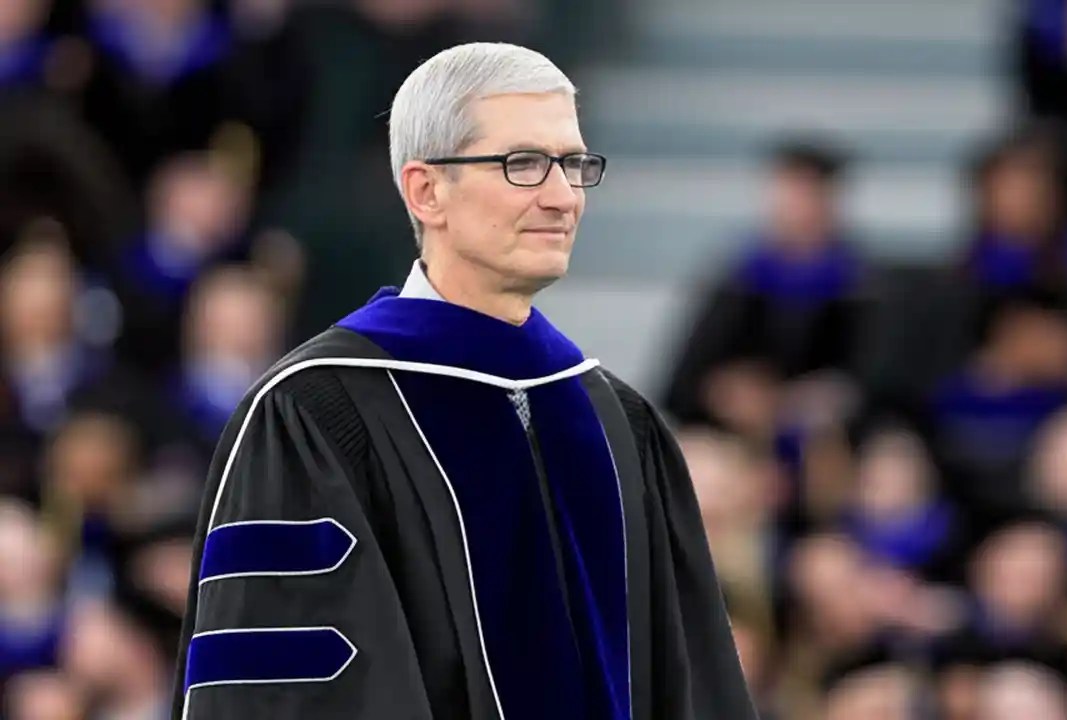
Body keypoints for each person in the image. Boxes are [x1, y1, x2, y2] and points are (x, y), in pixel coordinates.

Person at [170, 42, 758, 720]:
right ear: (426, 191)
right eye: (525, 164)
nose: (563, 196)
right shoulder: (316, 412)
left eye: (574, 164)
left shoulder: (617, 422)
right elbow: (289, 689)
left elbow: (691, 686)